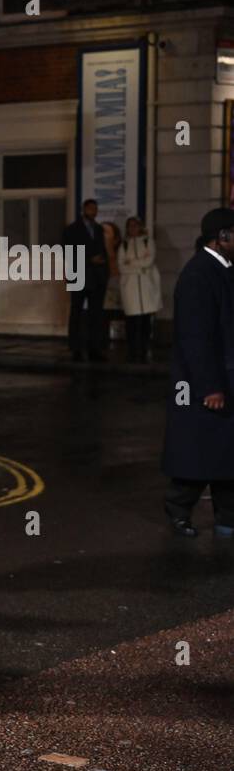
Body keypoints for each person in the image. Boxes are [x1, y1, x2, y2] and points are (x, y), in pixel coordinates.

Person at [161, 207, 234, 538]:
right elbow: (195, 337)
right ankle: (178, 510)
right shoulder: (197, 275)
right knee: (198, 454)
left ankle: (227, 520)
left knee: (226, 455)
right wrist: (210, 387)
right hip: (203, 382)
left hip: (225, 377)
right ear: (222, 238)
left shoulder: (225, 270)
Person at [63, 198, 110, 362]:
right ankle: (75, 349)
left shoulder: (98, 229)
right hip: (79, 274)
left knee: (95, 314)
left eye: (95, 209)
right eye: (90, 209)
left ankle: (94, 349)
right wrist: (89, 260)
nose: (93, 212)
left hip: (97, 277)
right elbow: (68, 252)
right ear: (83, 210)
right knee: (76, 312)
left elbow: (102, 250)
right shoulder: (72, 229)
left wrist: (105, 270)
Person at [119, 216, 161, 363]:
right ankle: (132, 351)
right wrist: (140, 267)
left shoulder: (148, 242)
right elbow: (122, 267)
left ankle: (143, 350)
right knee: (131, 321)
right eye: (130, 226)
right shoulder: (123, 245)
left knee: (145, 321)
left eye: (135, 225)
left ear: (140, 227)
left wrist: (131, 263)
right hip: (130, 288)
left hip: (146, 287)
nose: (133, 228)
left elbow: (149, 261)